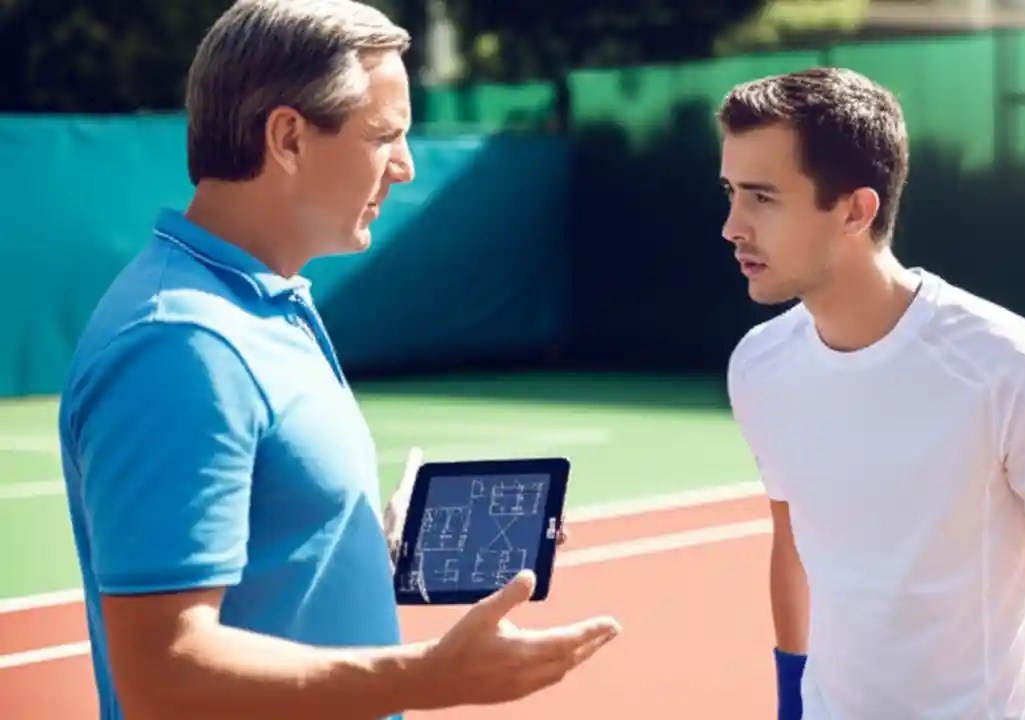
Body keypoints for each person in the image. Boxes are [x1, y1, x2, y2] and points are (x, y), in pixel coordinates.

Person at [56, 1, 618, 718]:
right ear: (287, 137)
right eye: (385, 135)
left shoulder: (266, 304)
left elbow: (268, 562)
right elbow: (164, 672)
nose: (408, 168)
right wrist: (428, 677)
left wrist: (352, 546)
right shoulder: (182, 342)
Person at [718, 68, 1025, 719]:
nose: (732, 225)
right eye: (730, 192)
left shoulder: (1010, 366)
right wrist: (792, 701)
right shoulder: (759, 368)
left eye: (762, 197)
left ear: (854, 210)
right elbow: (795, 547)